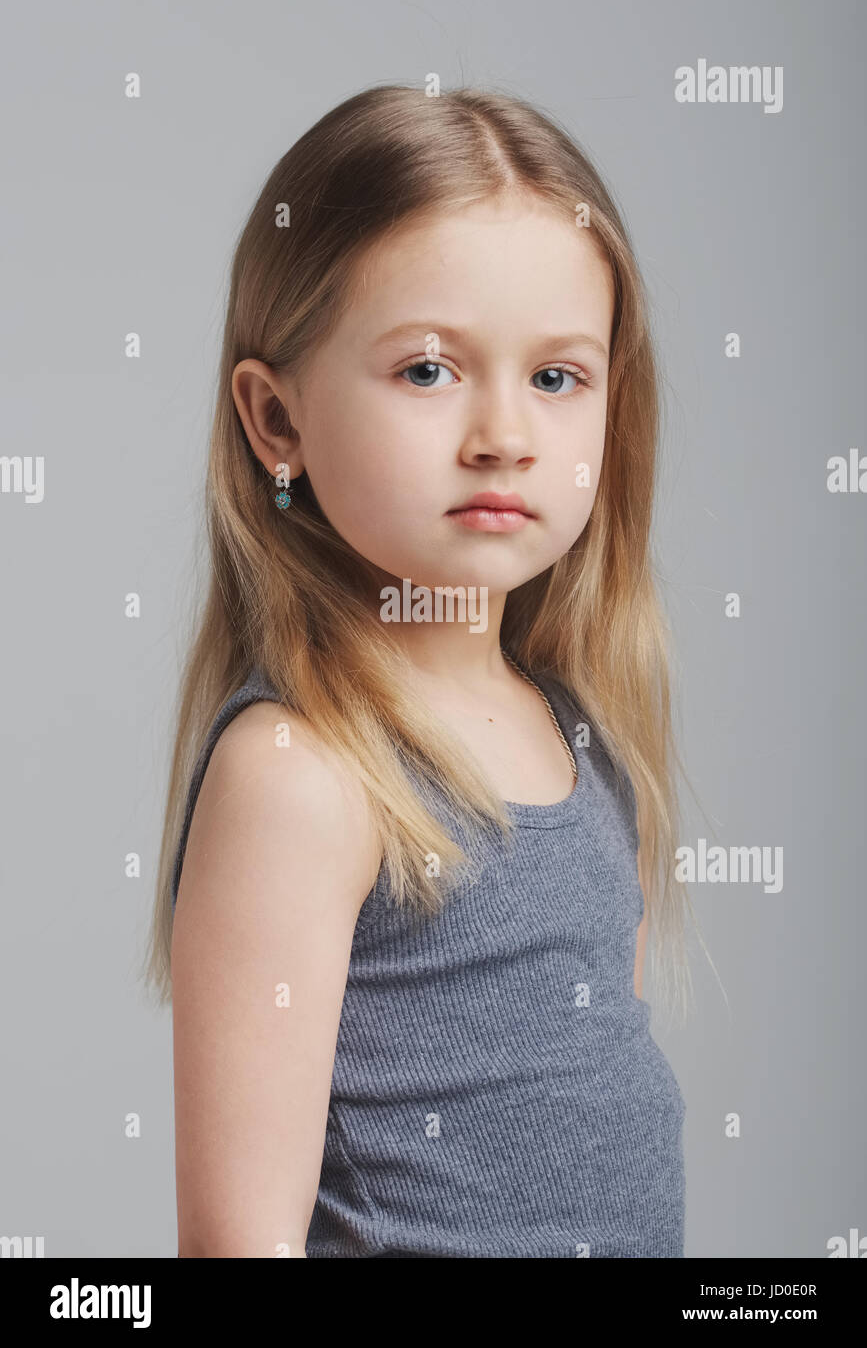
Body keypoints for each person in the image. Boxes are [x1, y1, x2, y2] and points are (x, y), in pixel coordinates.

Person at [144, 83, 696, 1258]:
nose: (504, 431)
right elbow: (238, 1243)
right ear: (276, 421)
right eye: (431, 370)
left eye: (557, 378)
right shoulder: (300, 774)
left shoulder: (588, 743)